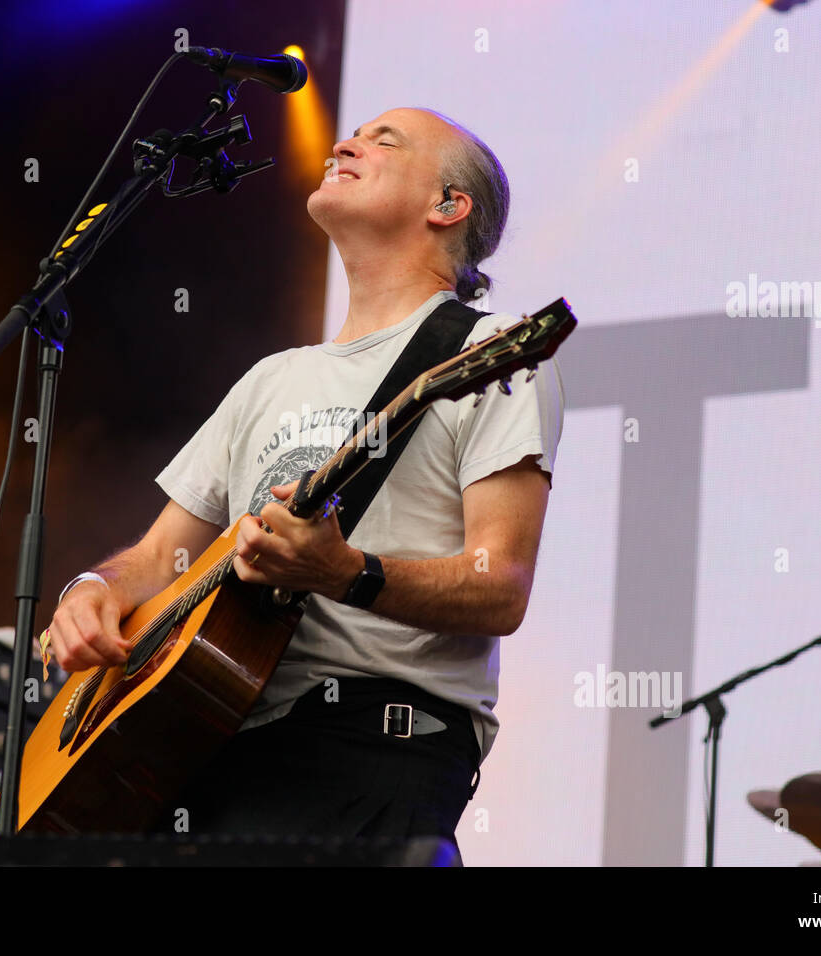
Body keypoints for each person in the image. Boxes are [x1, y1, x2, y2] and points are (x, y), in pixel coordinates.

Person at [43, 107, 565, 850]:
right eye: (353, 134)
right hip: (212, 752)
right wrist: (92, 589)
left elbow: (501, 587)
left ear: (448, 205)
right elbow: (160, 558)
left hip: (370, 751)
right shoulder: (271, 378)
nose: (344, 144)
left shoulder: (488, 349)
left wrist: (345, 572)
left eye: (384, 142)